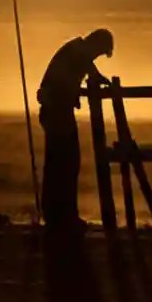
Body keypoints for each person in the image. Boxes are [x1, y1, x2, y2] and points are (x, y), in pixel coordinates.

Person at [37, 29, 114, 231]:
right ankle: (61, 217)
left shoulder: (76, 51)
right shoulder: (76, 53)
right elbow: (80, 67)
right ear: (95, 45)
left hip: (58, 112)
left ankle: (60, 215)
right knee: (65, 165)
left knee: (63, 164)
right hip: (57, 112)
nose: (97, 56)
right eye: (99, 52)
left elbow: (87, 65)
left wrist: (96, 77)